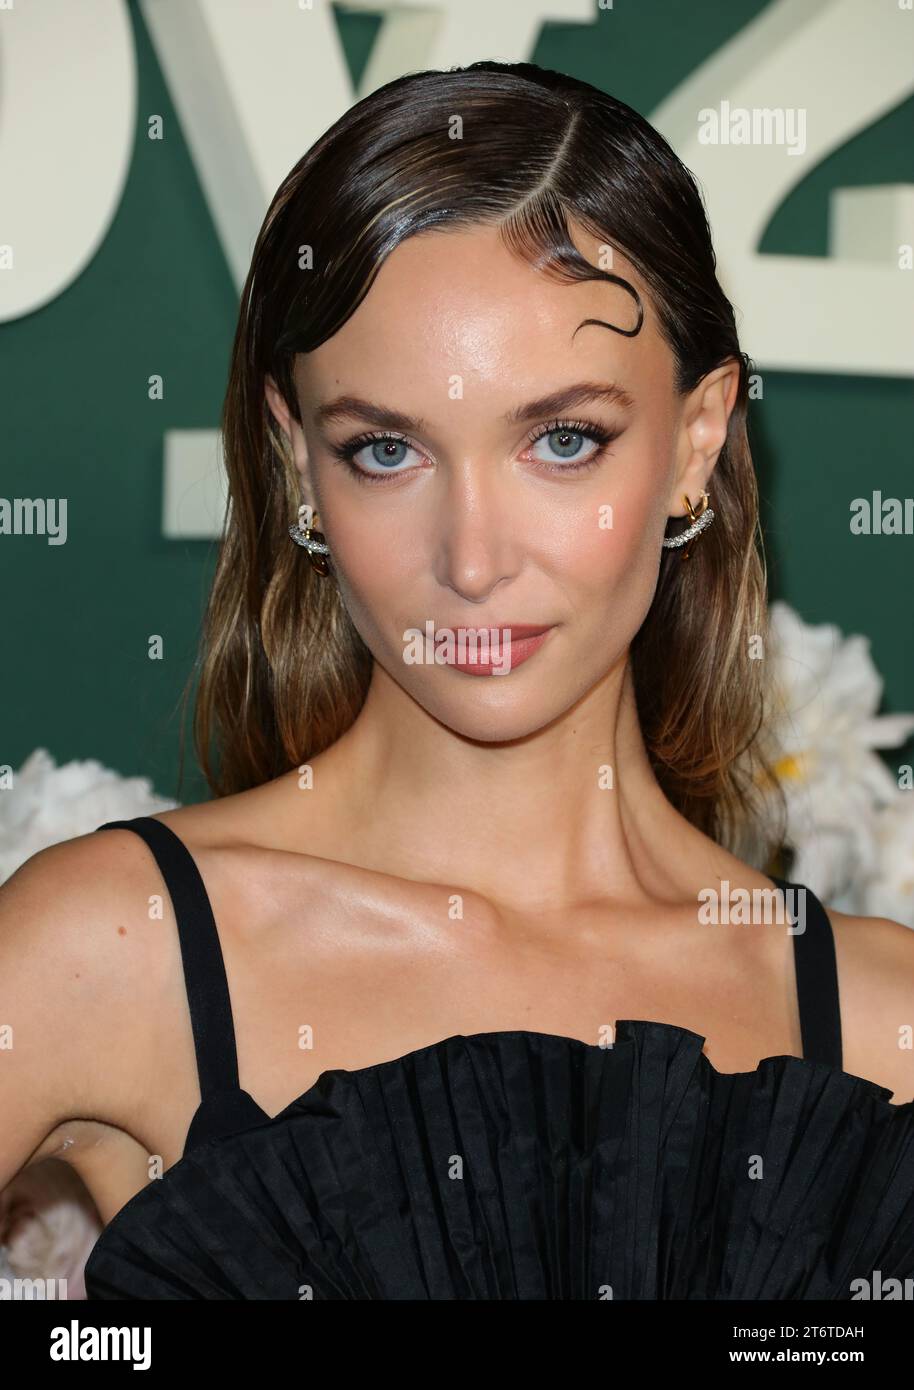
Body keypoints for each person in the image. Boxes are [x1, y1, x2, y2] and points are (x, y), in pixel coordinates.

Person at [2, 61, 912, 1300]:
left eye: (561, 440)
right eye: (385, 450)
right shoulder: (111, 946)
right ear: (295, 465)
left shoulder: (874, 1024)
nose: (471, 561)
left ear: (697, 441)